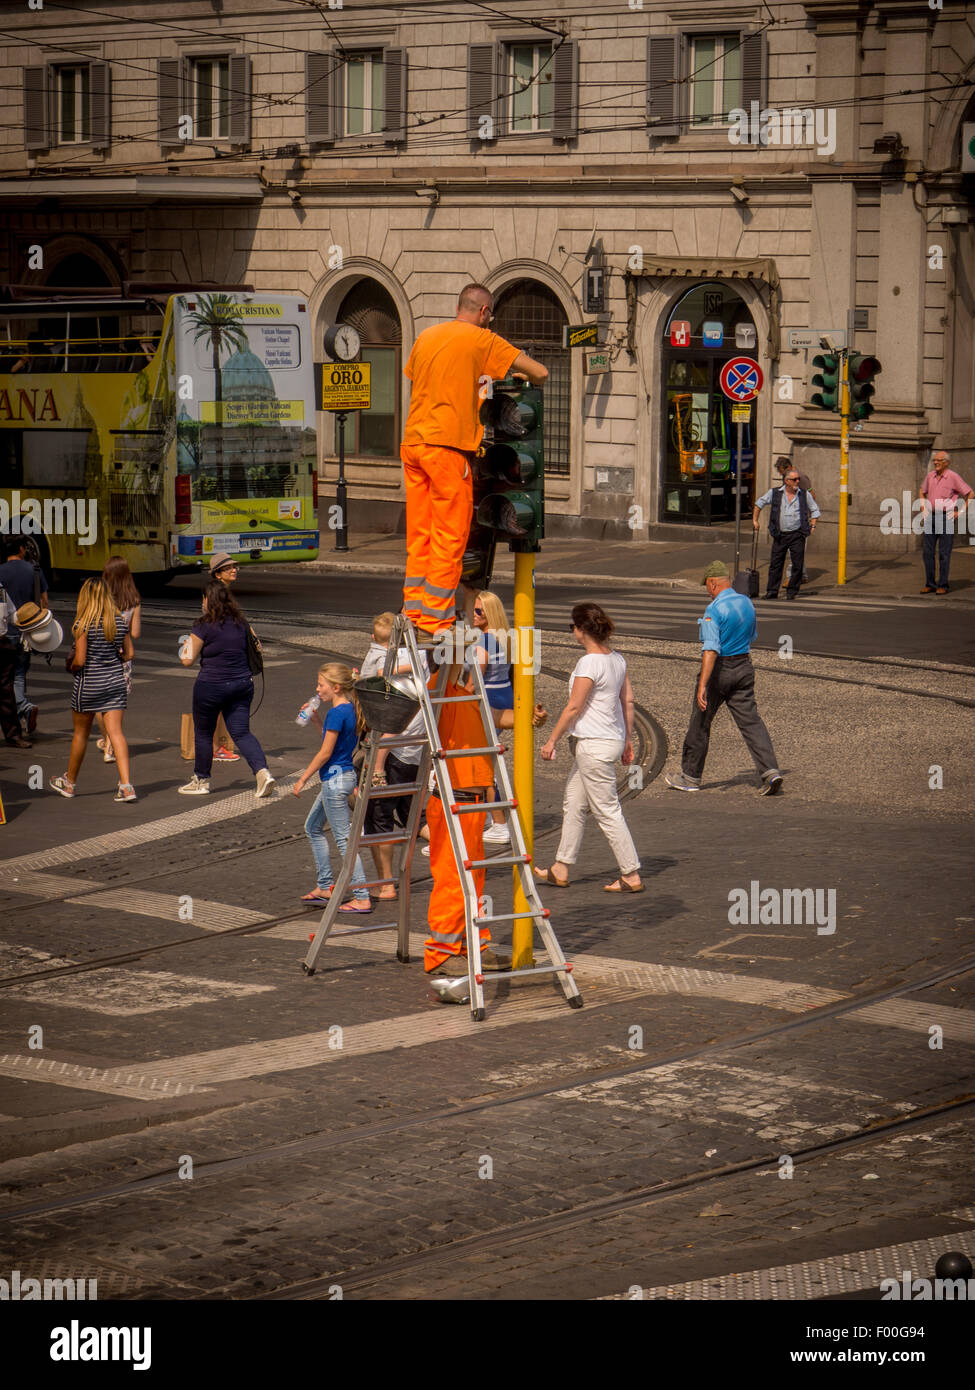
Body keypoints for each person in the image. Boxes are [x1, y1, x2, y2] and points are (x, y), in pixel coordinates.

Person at [401, 283, 548, 635]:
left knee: (421, 533)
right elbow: (540, 372)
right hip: (448, 448)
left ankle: (413, 610)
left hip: (414, 444)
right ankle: (435, 618)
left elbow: (432, 378)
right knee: (450, 536)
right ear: (484, 312)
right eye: (490, 315)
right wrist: (516, 373)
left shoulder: (426, 337)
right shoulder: (483, 339)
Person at [536, 602, 642, 894]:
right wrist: (628, 739)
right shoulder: (617, 659)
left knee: (607, 811)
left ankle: (631, 873)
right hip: (610, 740)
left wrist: (552, 740)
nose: (572, 631)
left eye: (572, 626)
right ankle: (561, 867)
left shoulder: (589, 663)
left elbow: (574, 707)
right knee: (573, 802)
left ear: (582, 629)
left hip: (593, 745)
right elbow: (627, 701)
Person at [666, 561, 783, 796]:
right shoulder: (747, 602)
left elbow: (711, 650)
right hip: (744, 666)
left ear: (713, 583)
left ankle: (690, 777)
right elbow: (752, 636)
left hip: (721, 670)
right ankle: (770, 771)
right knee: (751, 722)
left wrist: (703, 684)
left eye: (707, 587)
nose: (707, 592)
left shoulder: (714, 609)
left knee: (700, 722)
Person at [424, 660, 508, 979]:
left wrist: (530, 716)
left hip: (472, 805)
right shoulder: (441, 687)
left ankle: (473, 945)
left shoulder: (466, 695)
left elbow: (497, 717)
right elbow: (452, 655)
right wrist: (459, 637)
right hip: (452, 802)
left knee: (473, 880)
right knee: (452, 879)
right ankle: (440, 953)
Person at [178, 579, 274, 798]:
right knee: (241, 732)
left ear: (208, 600)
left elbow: (187, 660)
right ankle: (262, 772)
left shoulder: (203, 625)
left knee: (204, 732)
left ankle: (201, 780)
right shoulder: (241, 622)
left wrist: (184, 644)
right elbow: (257, 646)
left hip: (211, 686)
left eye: (203, 598)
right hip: (242, 685)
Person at [358, 612, 429, 901]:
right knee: (414, 817)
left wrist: (377, 767)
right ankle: (451, 852)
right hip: (415, 751)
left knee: (379, 819)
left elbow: (377, 680)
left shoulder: (394, 659)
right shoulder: (424, 654)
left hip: (395, 752)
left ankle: (386, 884)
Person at [467, 589, 547, 845]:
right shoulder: (504, 638)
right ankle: (489, 817)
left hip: (487, 701)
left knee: (482, 765)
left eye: (478, 611)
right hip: (504, 695)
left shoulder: (484, 642)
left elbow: (474, 680)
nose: (473, 614)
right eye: (473, 609)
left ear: (489, 613)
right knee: (483, 762)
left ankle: (499, 823)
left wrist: (459, 701)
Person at [293, 662, 372, 913]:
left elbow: (326, 752)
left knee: (343, 840)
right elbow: (334, 744)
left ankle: (361, 897)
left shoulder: (336, 713)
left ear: (336, 687)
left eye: (321, 685)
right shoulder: (350, 709)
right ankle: (325, 886)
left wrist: (303, 778)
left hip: (334, 782)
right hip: (344, 777)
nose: (317, 690)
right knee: (313, 827)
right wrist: (317, 720)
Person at [51, 579, 136, 800]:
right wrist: (115, 660)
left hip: (88, 684)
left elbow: (80, 660)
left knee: (81, 734)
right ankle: (126, 786)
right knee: (116, 733)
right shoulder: (118, 622)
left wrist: (72, 667)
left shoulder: (83, 624)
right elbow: (129, 654)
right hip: (115, 683)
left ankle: (69, 783)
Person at [0, 533, 49, 736]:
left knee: (6, 679)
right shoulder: (34, 570)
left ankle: (24, 708)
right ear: (21, 549)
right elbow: (44, 602)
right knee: (19, 675)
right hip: (27, 632)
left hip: (4, 632)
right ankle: (23, 709)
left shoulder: (1, 571)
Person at [94, 556, 141, 764]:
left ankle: (107, 741)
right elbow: (135, 633)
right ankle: (109, 747)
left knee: (99, 704)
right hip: (122, 657)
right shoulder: (134, 601)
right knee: (116, 704)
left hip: (100, 654)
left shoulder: (100, 597)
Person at [753, 465, 820, 600]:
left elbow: (815, 510)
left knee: (797, 564)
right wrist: (755, 520)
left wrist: (813, 526)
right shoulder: (775, 493)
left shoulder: (803, 494)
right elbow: (759, 504)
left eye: (798, 479)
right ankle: (772, 591)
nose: (797, 482)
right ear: (786, 481)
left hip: (797, 534)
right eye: (794, 480)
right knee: (775, 564)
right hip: (780, 534)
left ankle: (792, 591)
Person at [917, 449, 973, 595]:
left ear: (946, 462)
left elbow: (970, 493)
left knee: (944, 553)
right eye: (934, 460)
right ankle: (930, 584)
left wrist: (960, 512)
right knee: (927, 553)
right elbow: (922, 491)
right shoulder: (930, 476)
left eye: (939, 460)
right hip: (930, 517)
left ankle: (943, 585)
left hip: (945, 518)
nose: (935, 462)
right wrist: (923, 507)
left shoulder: (953, 477)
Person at [774, 456, 815, 584]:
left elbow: (811, 495)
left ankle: (791, 577)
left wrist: (807, 515)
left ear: (788, 467)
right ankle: (802, 575)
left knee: (794, 550)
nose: (782, 476)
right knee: (797, 550)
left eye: (782, 472)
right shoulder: (787, 478)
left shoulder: (801, 478)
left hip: (800, 520)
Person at [0, 580, 30, 748]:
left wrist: (29, 620)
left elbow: (12, 615)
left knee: (6, 692)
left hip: (2, 643)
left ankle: (13, 735)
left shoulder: (1, 589)